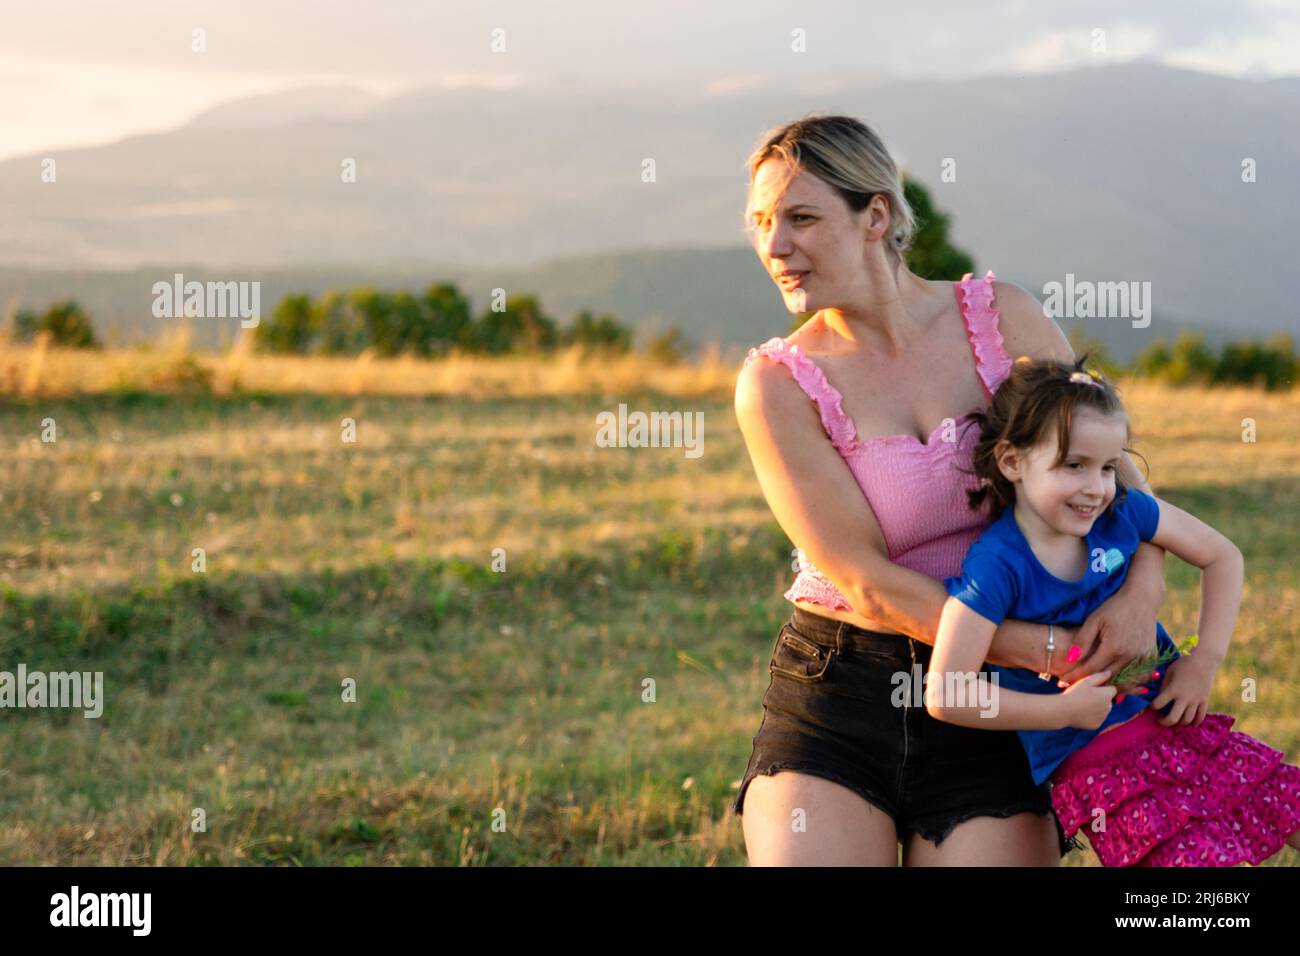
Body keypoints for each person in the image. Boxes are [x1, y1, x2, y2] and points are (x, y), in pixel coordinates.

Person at [731, 113, 1169, 866]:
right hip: (843, 688)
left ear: (876, 215)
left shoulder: (1004, 317)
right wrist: (1046, 649)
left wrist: (1141, 597)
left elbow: (1116, 476)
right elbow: (866, 582)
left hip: (1005, 707)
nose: (774, 247)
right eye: (763, 222)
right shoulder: (775, 384)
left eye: (800, 218)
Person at [927, 355, 1300, 865]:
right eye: (1073, 465)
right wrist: (1060, 711)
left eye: (1107, 467)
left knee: (1290, 804)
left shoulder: (1121, 514)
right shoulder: (998, 565)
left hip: (1182, 727)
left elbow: (1223, 556)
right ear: (1012, 462)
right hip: (1108, 774)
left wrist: (1203, 662)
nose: (1096, 487)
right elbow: (946, 692)